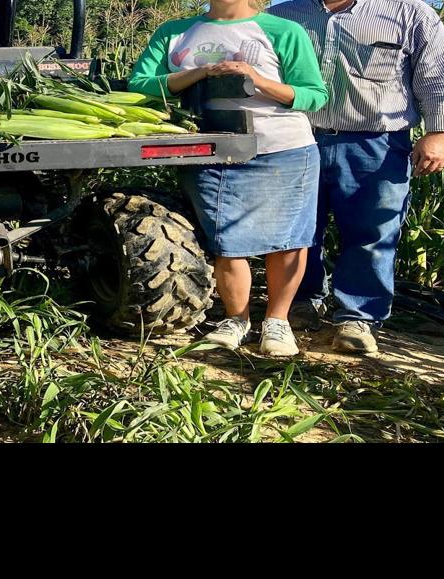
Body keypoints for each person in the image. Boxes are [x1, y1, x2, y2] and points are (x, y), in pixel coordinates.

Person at [130, 0, 329, 357]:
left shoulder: (284, 31)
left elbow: (313, 95)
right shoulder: (173, 32)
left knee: (287, 240)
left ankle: (277, 322)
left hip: (281, 150)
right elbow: (141, 85)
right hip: (207, 150)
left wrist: (255, 79)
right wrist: (202, 73)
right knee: (226, 238)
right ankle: (236, 319)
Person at [269, 0, 444, 353]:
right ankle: (301, 304)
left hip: (375, 142)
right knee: (295, 229)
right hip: (294, 137)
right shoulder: (281, 14)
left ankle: (357, 318)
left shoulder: (408, 12)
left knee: (373, 231)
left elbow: (439, 74)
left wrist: (441, 132)